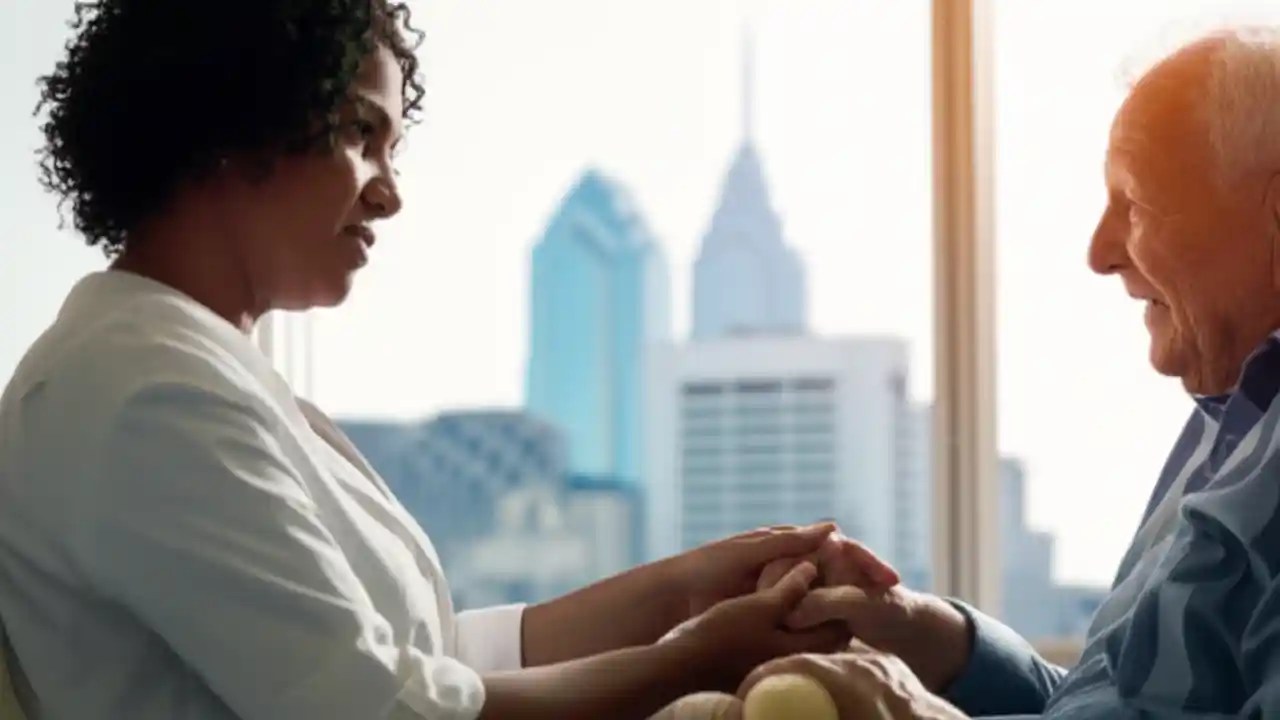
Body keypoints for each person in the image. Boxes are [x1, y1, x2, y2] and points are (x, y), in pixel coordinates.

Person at [0, 2, 901, 719]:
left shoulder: (197, 366)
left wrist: (689, 588)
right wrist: (700, 656)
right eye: (362, 136)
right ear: (234, 125)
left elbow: (435, 665)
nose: (389, 194)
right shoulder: (140, 393)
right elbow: (395, 713)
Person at [738, 28, 1280, 719]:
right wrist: (930, 637)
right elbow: (1118, 706)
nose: (1098, 252)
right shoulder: (1227, 423)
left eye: (1136, 204)